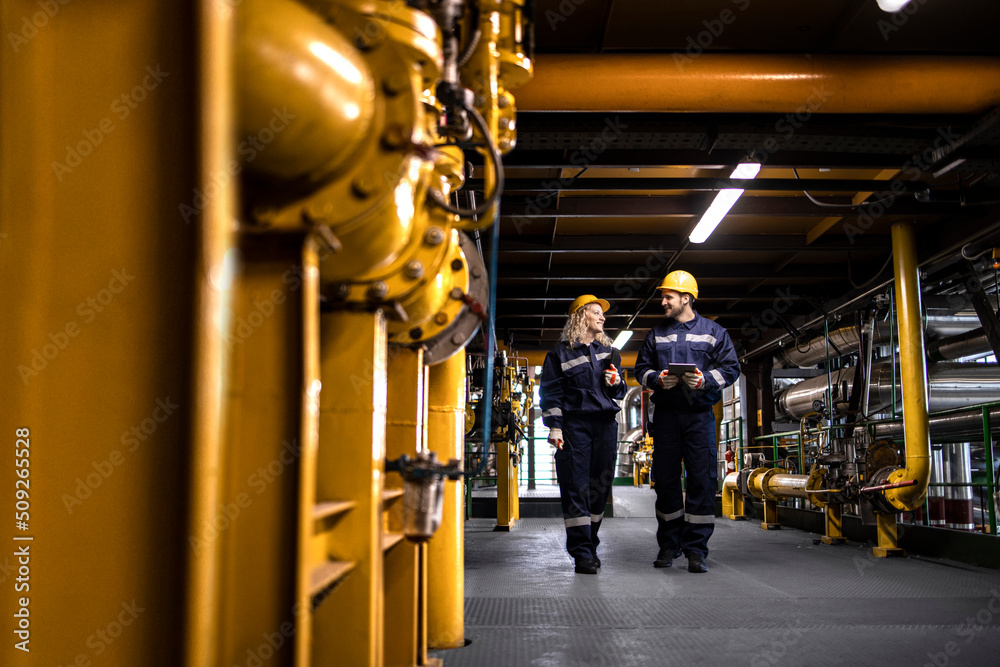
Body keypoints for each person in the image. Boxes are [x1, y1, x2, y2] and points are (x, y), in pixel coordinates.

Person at [634, 270, 741, 574]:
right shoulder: (656, 333)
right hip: (666, 417)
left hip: (699, 417)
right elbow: (640, 370)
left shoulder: (714, 332)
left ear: (686, 298)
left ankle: (696, 549)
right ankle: (669, 545)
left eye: (668, 296)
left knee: (701, 481)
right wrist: (657, 380)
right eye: (663, 296)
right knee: (666, 481)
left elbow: (731, 369)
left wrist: (705, 380)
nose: (663, 301)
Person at [540, 294, 626, 574]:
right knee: (575, 486)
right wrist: (555, 426)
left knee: (599, 488)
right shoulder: (559, 354)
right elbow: (551, 393)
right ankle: (581, 553)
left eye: (603, 314)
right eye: (596, 312)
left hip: (605, 425)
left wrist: (616, 383)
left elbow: (620, 391)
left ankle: (591, 543)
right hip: (575, 426)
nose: (603, 318)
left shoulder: (610, 353)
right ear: (580, 316)